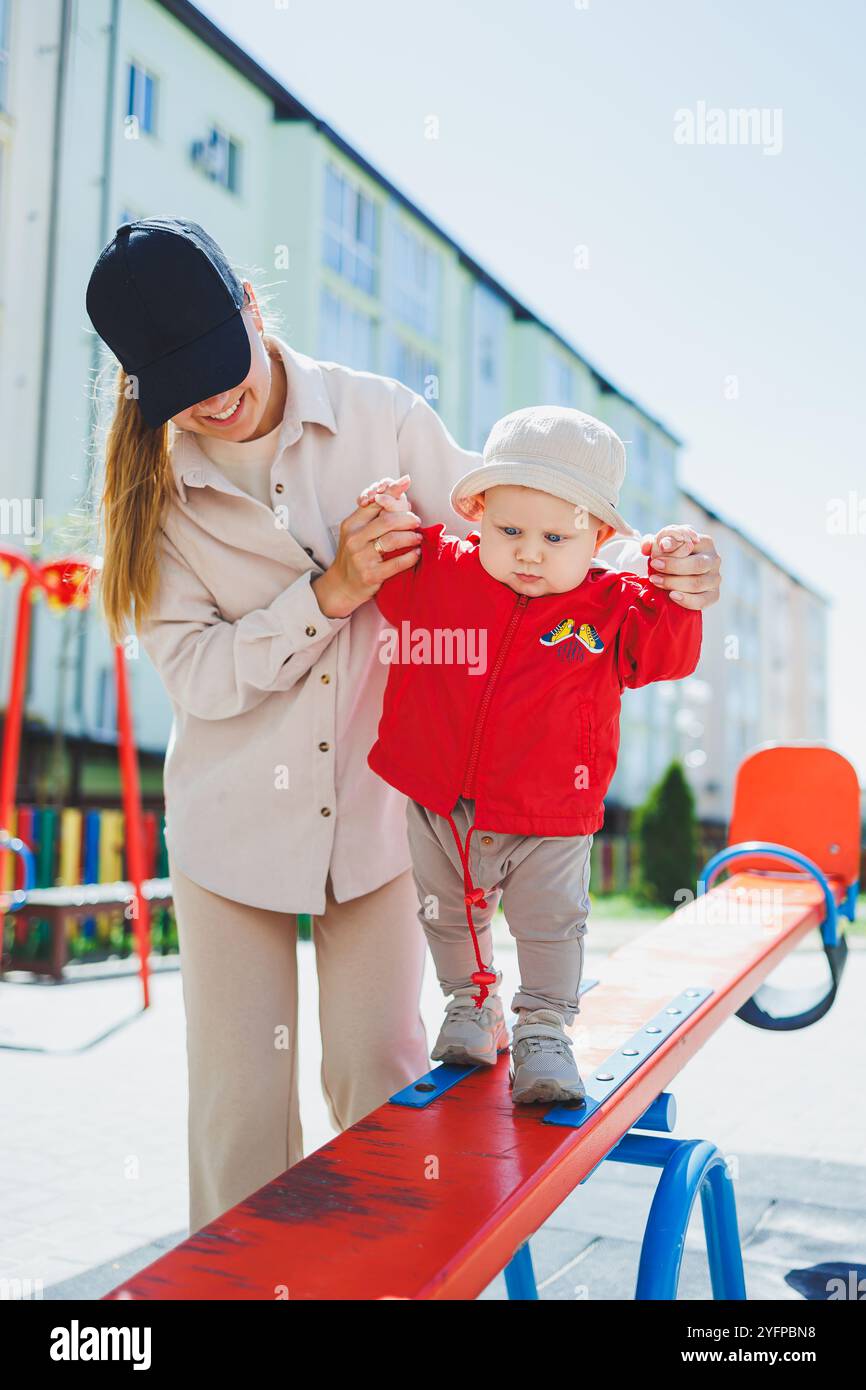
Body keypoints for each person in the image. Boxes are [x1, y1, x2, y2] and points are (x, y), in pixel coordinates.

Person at [84, 216, 722, 1231]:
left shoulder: (379, 418)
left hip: (385, 822)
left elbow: (523, 525)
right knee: (240, 1116)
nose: (214, 397)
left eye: (220, 360)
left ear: (251, 304)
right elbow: (200, 678)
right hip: (233, 826)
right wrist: (328, 591)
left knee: (381, 1088)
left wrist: (658, 568)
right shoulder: (158, 493)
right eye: (179, 384)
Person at [360, 406, 702, 1104]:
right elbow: (388, 581)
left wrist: (674, 589)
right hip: (440, 799)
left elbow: (663, 656)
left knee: (550, 925)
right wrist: (387, 515)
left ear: (600, 537)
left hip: (551, 811)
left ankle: (544, 1030)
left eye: (556, 537)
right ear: (477, 510)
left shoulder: (613, 605)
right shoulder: (441, 571)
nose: (529, 553)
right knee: (447, 913)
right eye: (510, 530)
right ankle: (471, 1007)